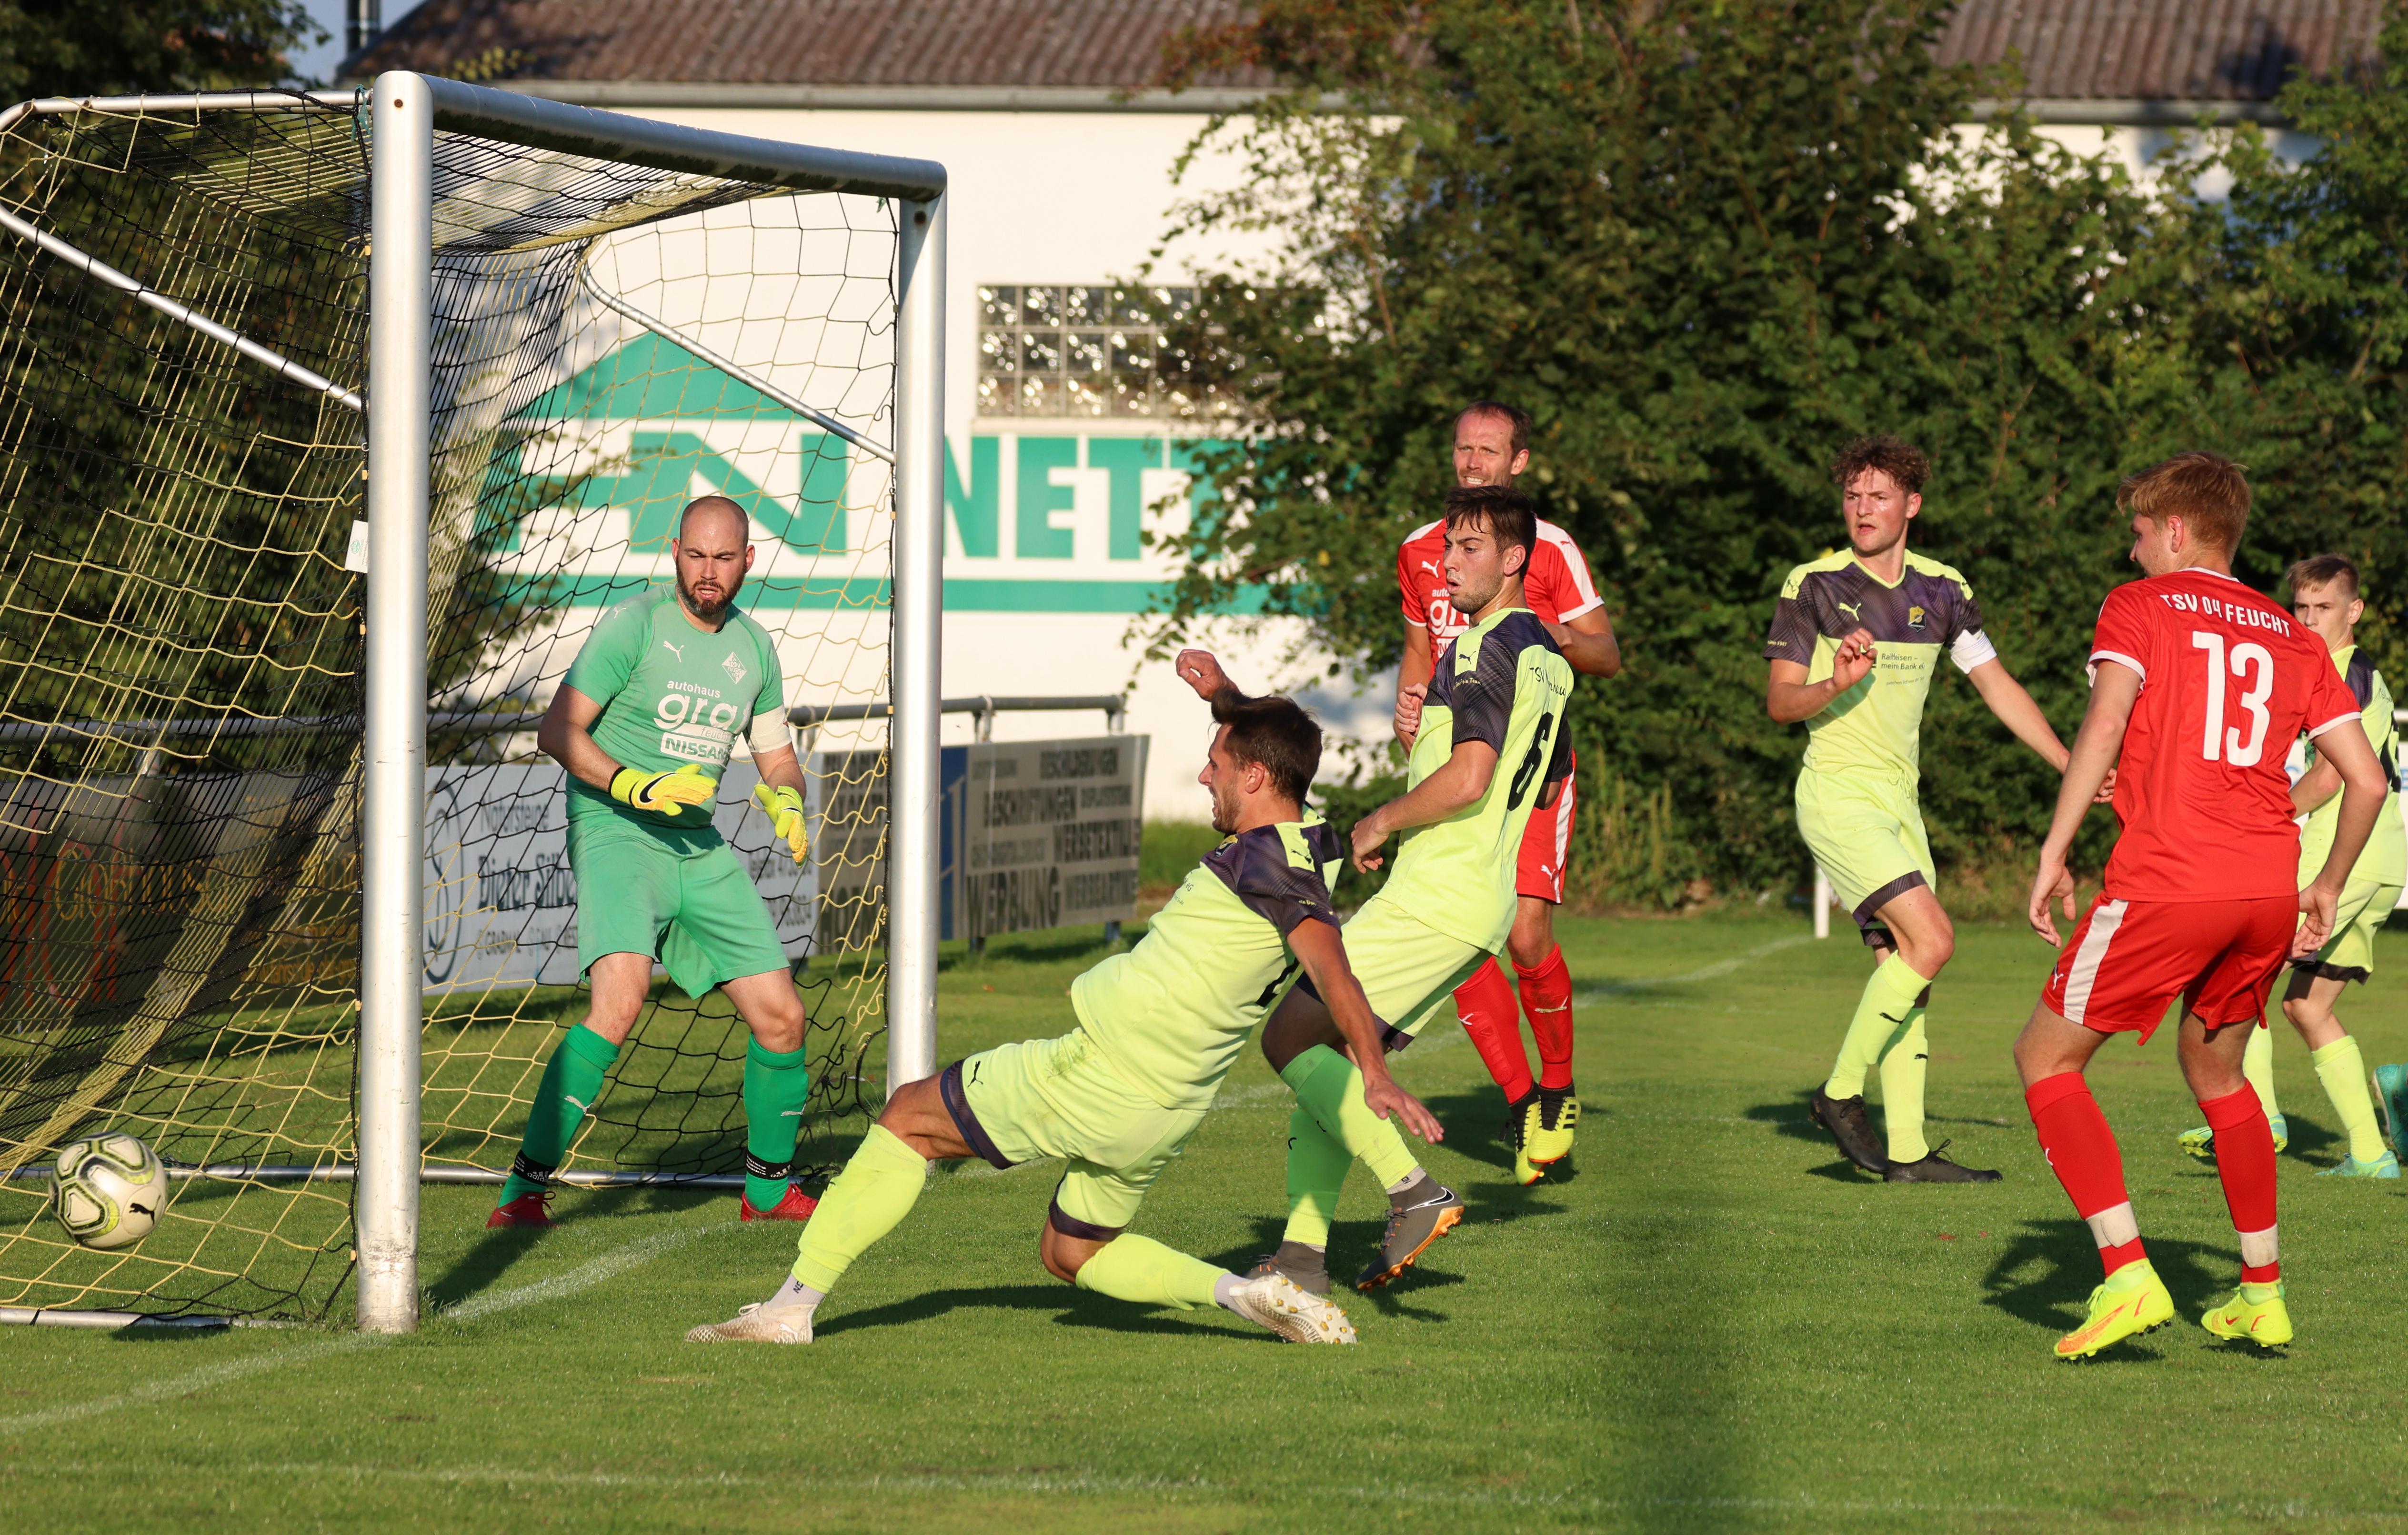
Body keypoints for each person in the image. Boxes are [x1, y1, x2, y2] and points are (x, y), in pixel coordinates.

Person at [684, 672, 1435, 1346]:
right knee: (1071, 1254)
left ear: (1258, 775)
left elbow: (1332, 967)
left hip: (1104, 1074)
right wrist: (1223, 697)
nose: (1206, 775)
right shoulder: (1307, 842)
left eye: (1219, 763)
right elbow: (1279, 746)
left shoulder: (1272, 863)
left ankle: (787, 1309)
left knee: (909, 1117)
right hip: (1166, 1111)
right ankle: (1244, 1293)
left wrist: (1372, 1069)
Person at [2015, 453, 2386, 1361]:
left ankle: (2129, 1276)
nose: (2133, 546)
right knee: (2218, 1075)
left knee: (2046, 1060)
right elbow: (2368, 781)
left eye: (2139, 531)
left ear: (2175, 529)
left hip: (2172, 877)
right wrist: (2327, 883)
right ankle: (2264, 1295)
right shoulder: (2291, 633)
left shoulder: (2137, 606)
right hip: (2267, 887)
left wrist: (2056, 849)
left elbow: (2103, 726)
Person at [1253, 483, 1575, 1296]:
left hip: (1438, 894)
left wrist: (1382, 820)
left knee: (1289, 1038)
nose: (1449, 562)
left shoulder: (1477, 651)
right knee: (1334, 1062)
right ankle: (1299, 1259)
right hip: (1480, 899)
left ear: (1514, 562)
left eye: (1470, 549)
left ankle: (1413, 1191)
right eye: (1447, 548)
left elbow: (1469, 778)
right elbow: (1543, 785)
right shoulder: (1548, 658)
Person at [486, 495, 818, 1229]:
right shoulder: (634, 627)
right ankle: (523, 1193)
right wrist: (632, 782)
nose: (708, 572)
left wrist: (788, 801)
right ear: (674, 551)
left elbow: (778, 760)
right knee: (622, 1000)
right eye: (695, 555)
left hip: (693, 843)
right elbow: (557, 731)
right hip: (616, 829)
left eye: (723, 558)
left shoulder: (756, 650)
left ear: (747, 562)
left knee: (784, 1017)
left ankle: (767, 1193)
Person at [1766, 436, 2088, 1183]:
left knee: (1909, 962)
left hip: (1899, 805)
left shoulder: (1943, 589)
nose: (1862, 509)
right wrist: (1834, 685)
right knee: (1934, 941)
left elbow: (1997, 684)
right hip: (1838, 795)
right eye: (1852, 495)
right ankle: (1840, 1094)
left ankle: (1907, 1152)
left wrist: (2073, 765)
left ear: (1912, 505)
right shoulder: (1812, 584)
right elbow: (1781, 702)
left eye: (1878, 496)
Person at [1394, 400, 1620, 1180]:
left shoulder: (1546, 550)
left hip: (1533, 771)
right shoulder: (1422, 550)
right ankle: (1525, 1105)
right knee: (1462, 942)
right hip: (1453, 766)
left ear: (1518, 461)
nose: (1472, 463)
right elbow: (1421, 645)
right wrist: (1410, 700)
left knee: (1526, 940)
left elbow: (1607, 653)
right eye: (1463, 449)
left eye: (1488, 451)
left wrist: (1537, 633)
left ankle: (1557, 1090)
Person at [2175, 555, 2402, 1179]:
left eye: (2323, 608)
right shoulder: (2340, 669)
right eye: (2300, 607)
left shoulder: (2338, 672)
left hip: (2341, 855)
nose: (2308, 620)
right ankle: (2371, 1154)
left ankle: (2262, 1118)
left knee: (2238, 971)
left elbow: (2335, 775)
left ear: (2353, 612)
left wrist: (2260, 814)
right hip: (2379, 858)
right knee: (2307, 1006)